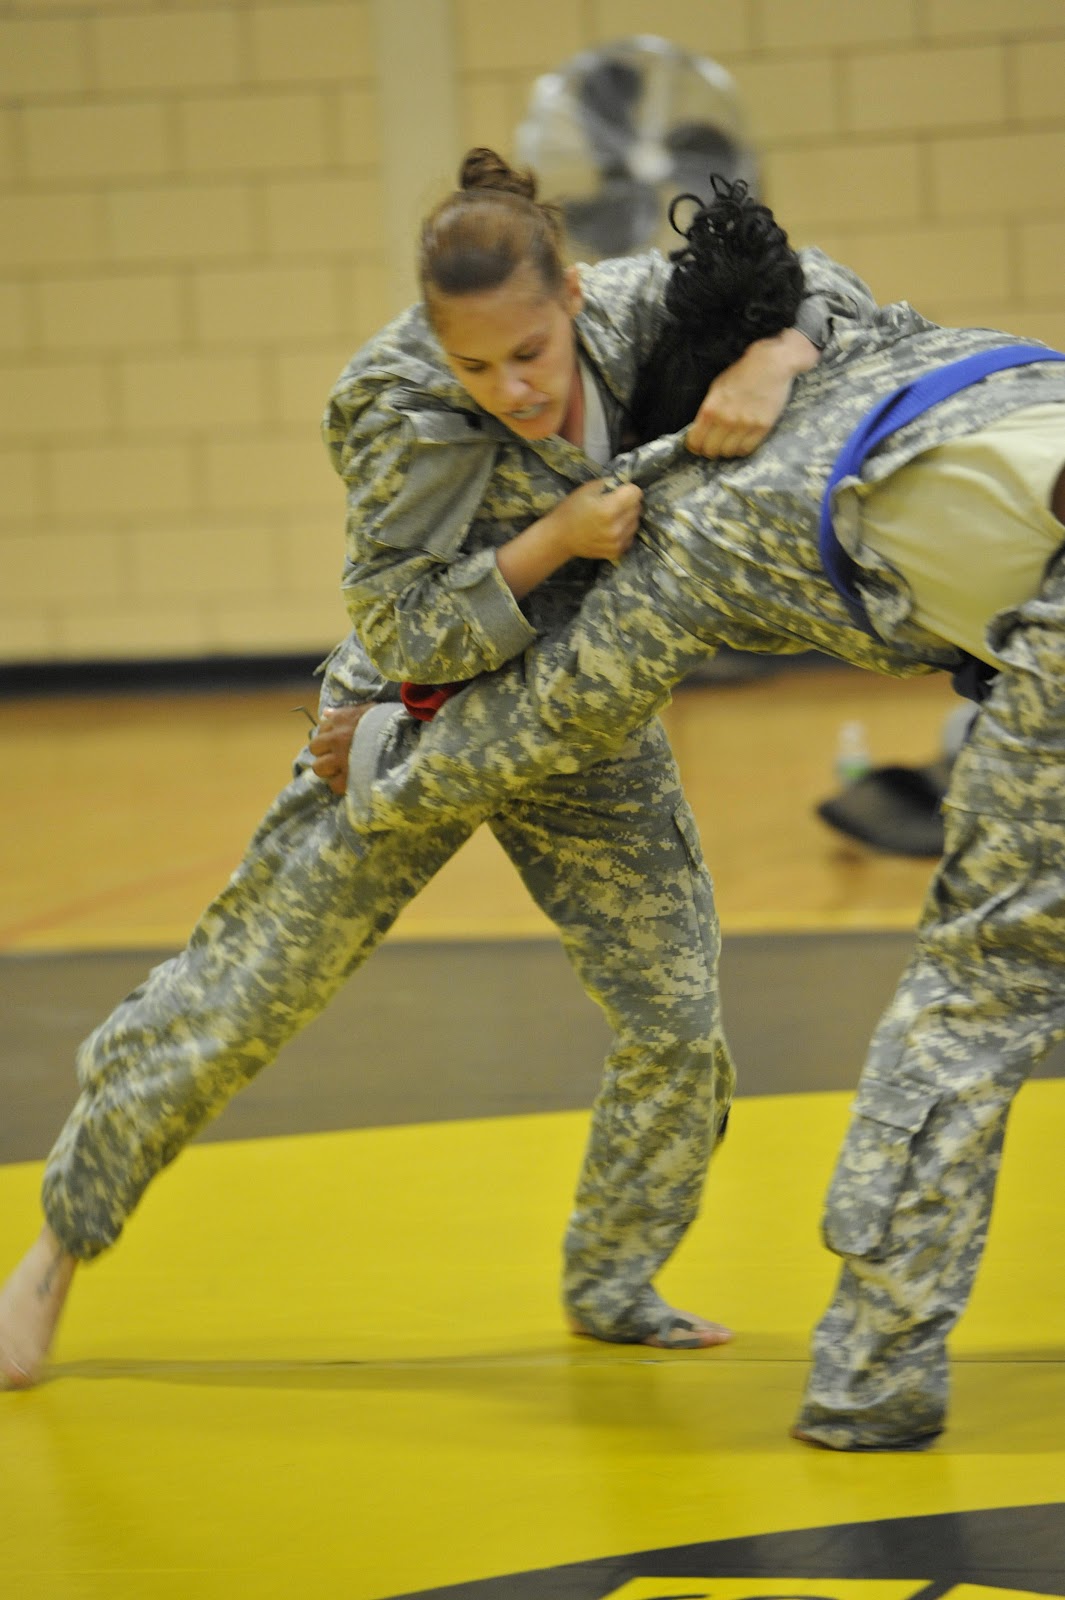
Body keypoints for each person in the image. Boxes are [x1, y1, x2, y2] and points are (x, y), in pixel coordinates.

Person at [0, 152, 837, 1389]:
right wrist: (552, 542)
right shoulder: (392, 400)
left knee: (675, 1017)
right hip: (407, 720)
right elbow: (399, 624)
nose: (510, 389)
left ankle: (614, 1276)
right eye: (476, 365)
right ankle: (50, 1256)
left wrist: (780, 354)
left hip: (582, 727)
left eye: (531, 355)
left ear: (571, 288)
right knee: (245, 992)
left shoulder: (638, 306)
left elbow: (834, 292)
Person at [318, 190, 1065, 1454]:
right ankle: (866, 1367)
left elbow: (544, 711)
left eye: (539, 364)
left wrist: (389, 745)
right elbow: (815, 279)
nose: (518, 397)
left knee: (977, 992)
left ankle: (871, 1374)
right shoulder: (868, 353)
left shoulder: (708, 505)